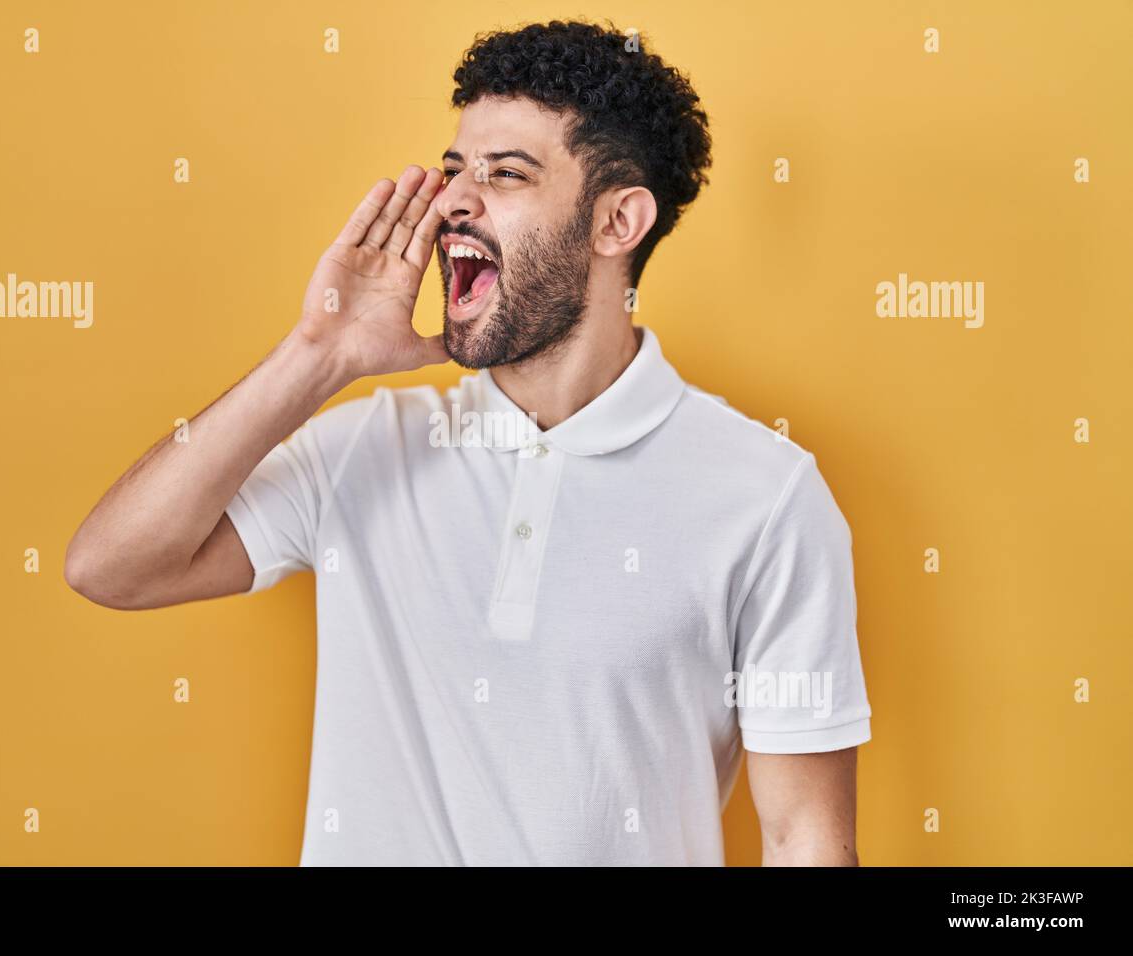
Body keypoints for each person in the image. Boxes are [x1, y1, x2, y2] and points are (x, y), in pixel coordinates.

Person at [66, 20, 871, 866]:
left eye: (506, 175)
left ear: (617, 221)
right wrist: (318, 355)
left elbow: (803, 838)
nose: (452, 200)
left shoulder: (764, 494)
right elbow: (110, 567)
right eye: (455, 172)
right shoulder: (363, 449)